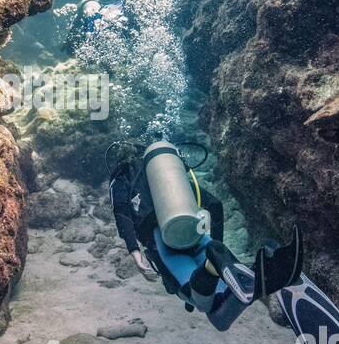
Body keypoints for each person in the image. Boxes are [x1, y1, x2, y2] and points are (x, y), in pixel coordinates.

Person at [108, 141, 303, 332]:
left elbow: (122, 213)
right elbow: (215, 204)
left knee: (208, 308)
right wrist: (216, 247)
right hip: (196, 233)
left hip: (163, 241)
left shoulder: (121, 177)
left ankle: (211, 270)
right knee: (222, 306)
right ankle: (258, 273)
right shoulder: (169, 177)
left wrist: (135, 252)